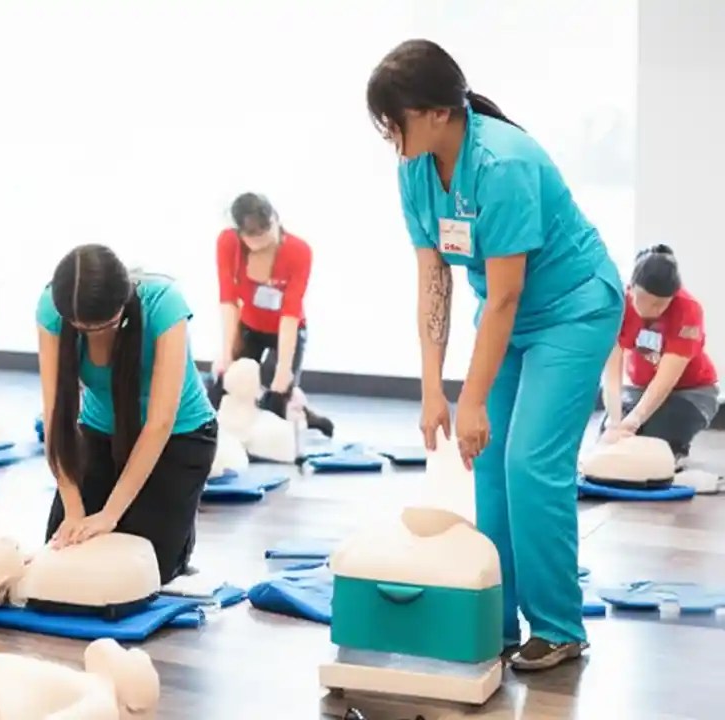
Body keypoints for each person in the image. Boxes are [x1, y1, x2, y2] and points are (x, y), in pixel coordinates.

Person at [368, 39, 624, 671]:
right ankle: (499, 614)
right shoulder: (415, 169)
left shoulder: (503, 163)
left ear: (434, 113)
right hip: (508, 315)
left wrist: (473, 396)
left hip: (573, 307)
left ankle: (560, 626)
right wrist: (433, 388)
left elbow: (506, 296)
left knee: (530, 461)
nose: (386, 133)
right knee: (486, 461)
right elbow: (435, 279)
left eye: (391, 119)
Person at [37, 244, 218, 585]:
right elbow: (56, 416)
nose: (96, 336)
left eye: (106, 325)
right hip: (99, 432)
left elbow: (159, 422)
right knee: (66, 557)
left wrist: (110, 514)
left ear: (123, 302)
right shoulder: (52, 308)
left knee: (144, 573)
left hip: (179, 436)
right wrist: (74, 508)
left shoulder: (164, 303)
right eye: (84, 329)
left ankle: (179, 540)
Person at [208, 192, 335, 437]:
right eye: (254, 240)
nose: (263, 246)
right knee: (225, 386)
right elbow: (228, 300)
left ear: (276, 220)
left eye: (267, 238)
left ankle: (301, 413)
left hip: (287, 330)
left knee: (275, 397)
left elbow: (291, 312)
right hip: (250, 325)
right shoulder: (228, 243)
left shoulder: (299, 251)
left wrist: (284, 368)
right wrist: (226, 353)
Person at [600, 245, 718, 462]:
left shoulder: (688, 309)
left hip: (690, 393)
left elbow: (666, 380)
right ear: (632, 288)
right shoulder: (620, 304)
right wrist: (615, 420)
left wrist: (633, 421)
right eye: (646, 300)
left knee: (646, 441)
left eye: (661, 304)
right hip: (638, 389)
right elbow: (611, 367)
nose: (653, 310)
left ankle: (676, 447)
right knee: (610, 440)